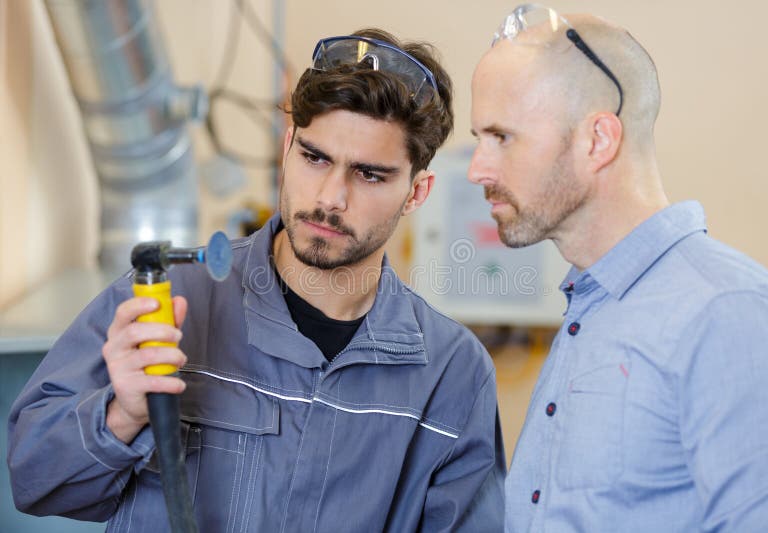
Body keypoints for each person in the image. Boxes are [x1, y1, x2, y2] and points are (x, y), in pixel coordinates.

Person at [8, 28, 505, 532]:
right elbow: (32, 481)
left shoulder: (452, 374)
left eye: (369, 175)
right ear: (288, 146)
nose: (331, 197)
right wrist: (122, 415)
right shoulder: (171, 303)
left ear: (416, 193)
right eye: (315, 158)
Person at [468, 5, 768, 533]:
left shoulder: (730, 315)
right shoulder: (591, 312)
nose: (476, 169)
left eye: (501, 137)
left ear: (598, 141)